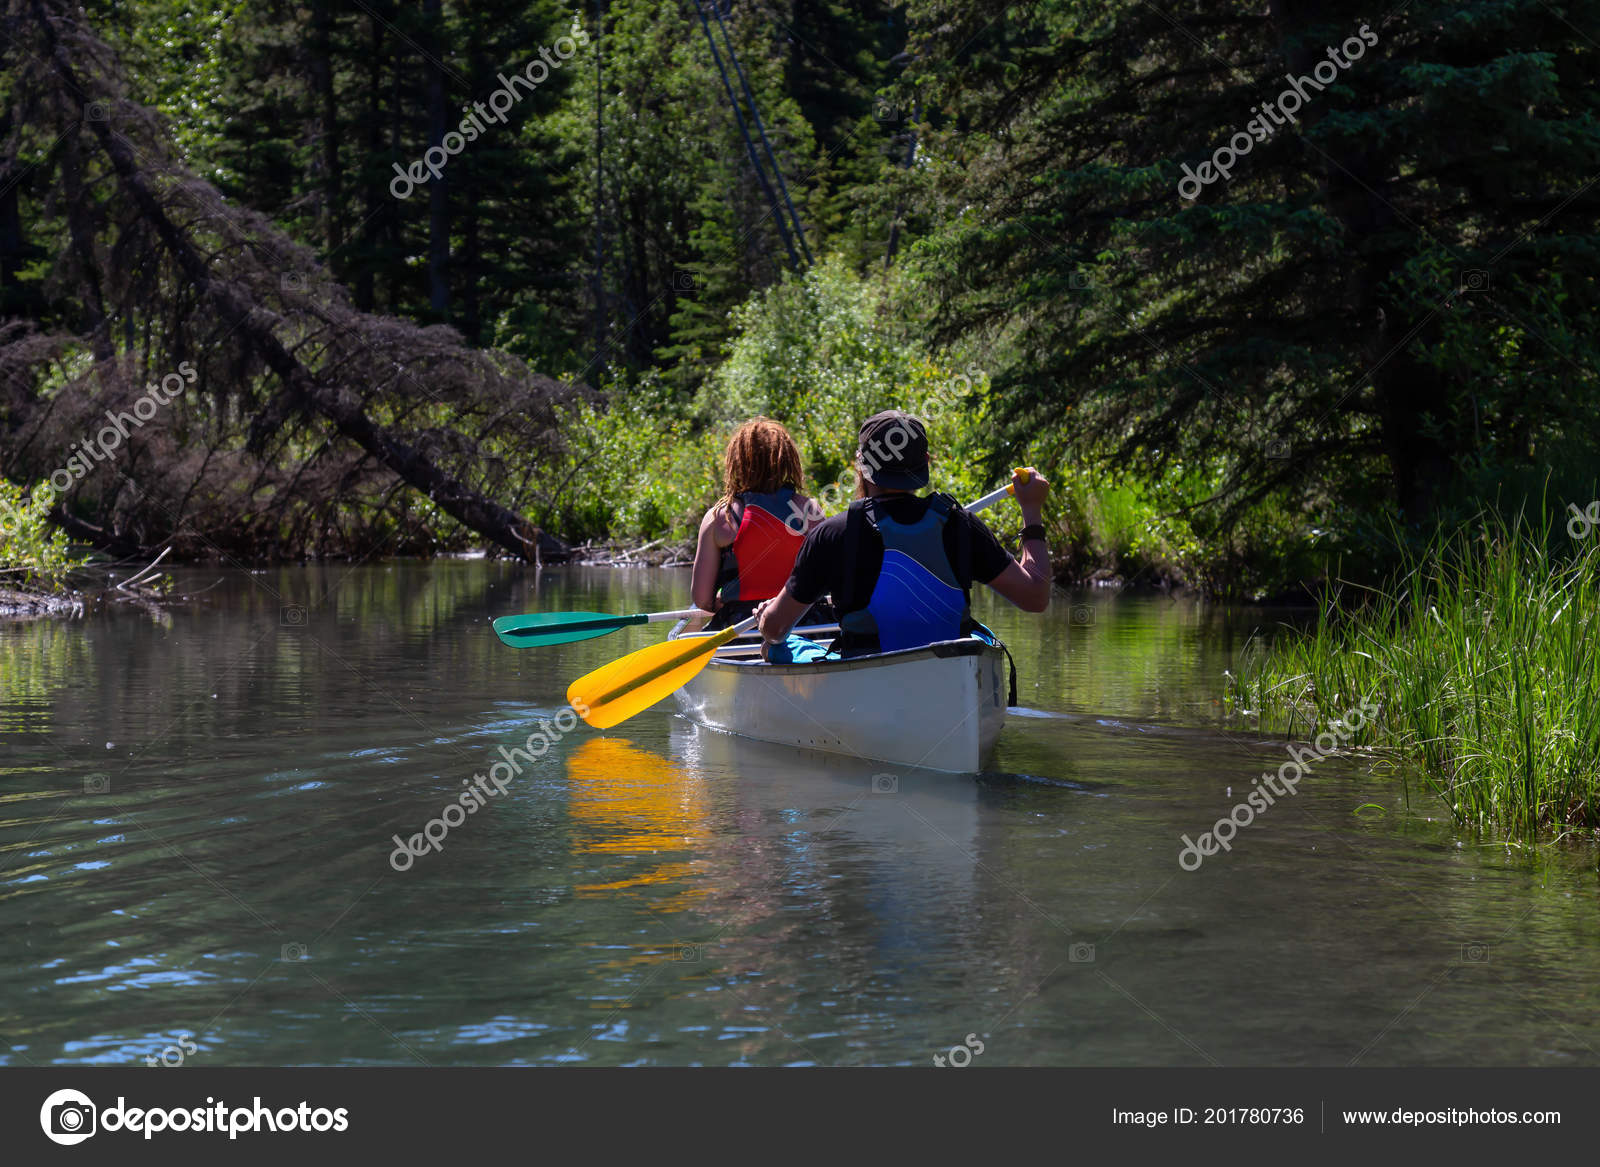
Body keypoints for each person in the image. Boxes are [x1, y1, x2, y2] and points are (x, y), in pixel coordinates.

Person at [754, 410, 1051, 656]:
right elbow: (1035, 598)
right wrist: (1031, 509)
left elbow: (776, 630)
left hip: (866, 678)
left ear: (861, 465)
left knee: (773, 647)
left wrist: (765, 617)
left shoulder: (833, 534)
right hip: (947, 676)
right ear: (926, 464)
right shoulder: (961, 525)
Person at [691, 417, 818, 630]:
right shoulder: (810, 512)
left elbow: (702, 600)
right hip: (802, 622)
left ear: (737, 463)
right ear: (786, 461)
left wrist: (725, 595)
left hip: (740, 627)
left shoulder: (720, 517)